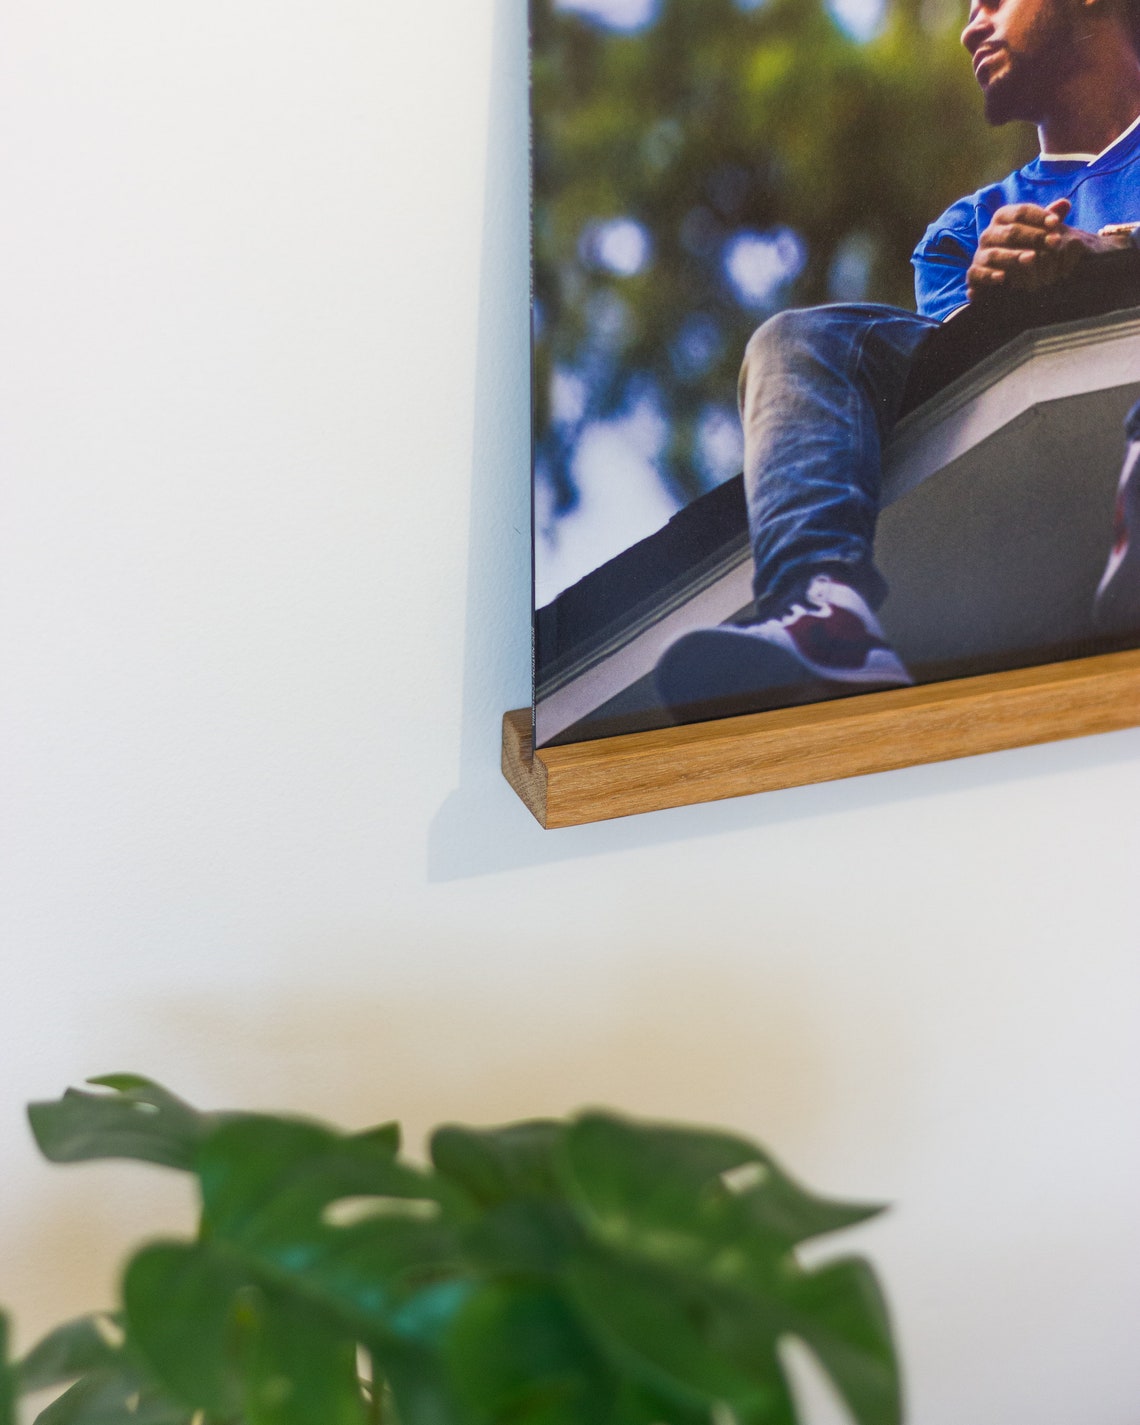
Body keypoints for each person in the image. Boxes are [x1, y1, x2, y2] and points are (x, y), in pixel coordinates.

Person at [656, 0, 1140, 715]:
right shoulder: (964, 232)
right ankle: (824, 617)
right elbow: (966, 389)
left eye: (993, 1)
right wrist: (993, 305)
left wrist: (1104, 254)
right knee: (796, 340)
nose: (972, 25)